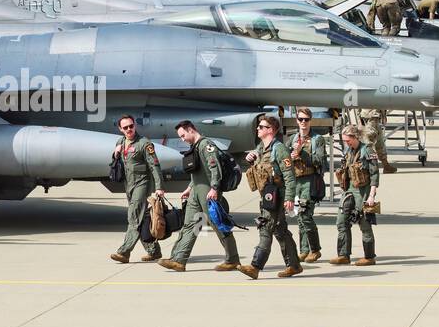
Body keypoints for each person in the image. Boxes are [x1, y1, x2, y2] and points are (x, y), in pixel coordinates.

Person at [159, 120, 240, 273]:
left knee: (217, 223)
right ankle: (178, 260)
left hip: (208, 192)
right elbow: (196, 171)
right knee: (190, 224)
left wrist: (215, 188)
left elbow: (214, 168)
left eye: (183, 135)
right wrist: (189, 188)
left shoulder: (206, 145)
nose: (182, 139)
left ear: (191, 130)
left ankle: (233, 259)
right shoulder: (195, 147)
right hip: (196, 191)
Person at [237, 115, 303, 280]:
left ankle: (255, 266)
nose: (258, 129)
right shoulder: (261, 147)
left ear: (270, 130)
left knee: (265, 227)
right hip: (267, 195)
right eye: (258, 126)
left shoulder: (279, 149)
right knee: (280, 231)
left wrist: (289, 198)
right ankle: (294, 265)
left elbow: (289, 175)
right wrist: (250, 158)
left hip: (277, 196)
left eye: (261, 127)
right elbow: (260, 164)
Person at [109, 114, 165, 264]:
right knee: (141, 219)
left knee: (133, 217)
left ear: (135, 126)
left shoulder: (144, 144)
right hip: (129, 185)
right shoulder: (120, 142)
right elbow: (117, 163)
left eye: (131, 126)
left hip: (142, 184)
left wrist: (159, 187)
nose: (129, 129)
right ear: (120, 129)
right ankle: (154, 251)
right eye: (125, 127)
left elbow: (155, 166)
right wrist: (115, 153)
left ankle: (124, 252)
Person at [330, 124, 380, 266]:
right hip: (349, 191)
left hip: (363, 193)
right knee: (341, 221)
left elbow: (374, 175)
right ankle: (343, 255)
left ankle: (369, 257)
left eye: (348, 140)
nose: (346, 143)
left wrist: (371, 196)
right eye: (345, 140)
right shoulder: (348, 151)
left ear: (355, 137)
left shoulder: (367, 150)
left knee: (364, 224)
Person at [287, 107, 327, 262]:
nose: (303, 122)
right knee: (299, 217)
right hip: (296, 181)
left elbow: (319, 160)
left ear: (310, 120)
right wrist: (290, 157)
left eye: (306, 119)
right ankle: (304, 250)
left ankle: (315, 249)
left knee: (305, 215)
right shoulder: (293, 139)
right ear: (297, 120)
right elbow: (285, 159)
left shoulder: (317, 139)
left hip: (310, 180)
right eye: (301, 119)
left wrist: (301, 153)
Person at [359, 108, 398, 173]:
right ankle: (367, 167)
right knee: (369, 142)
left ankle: (386, 165)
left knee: (379, 141)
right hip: (372, 115)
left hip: (369, 115)